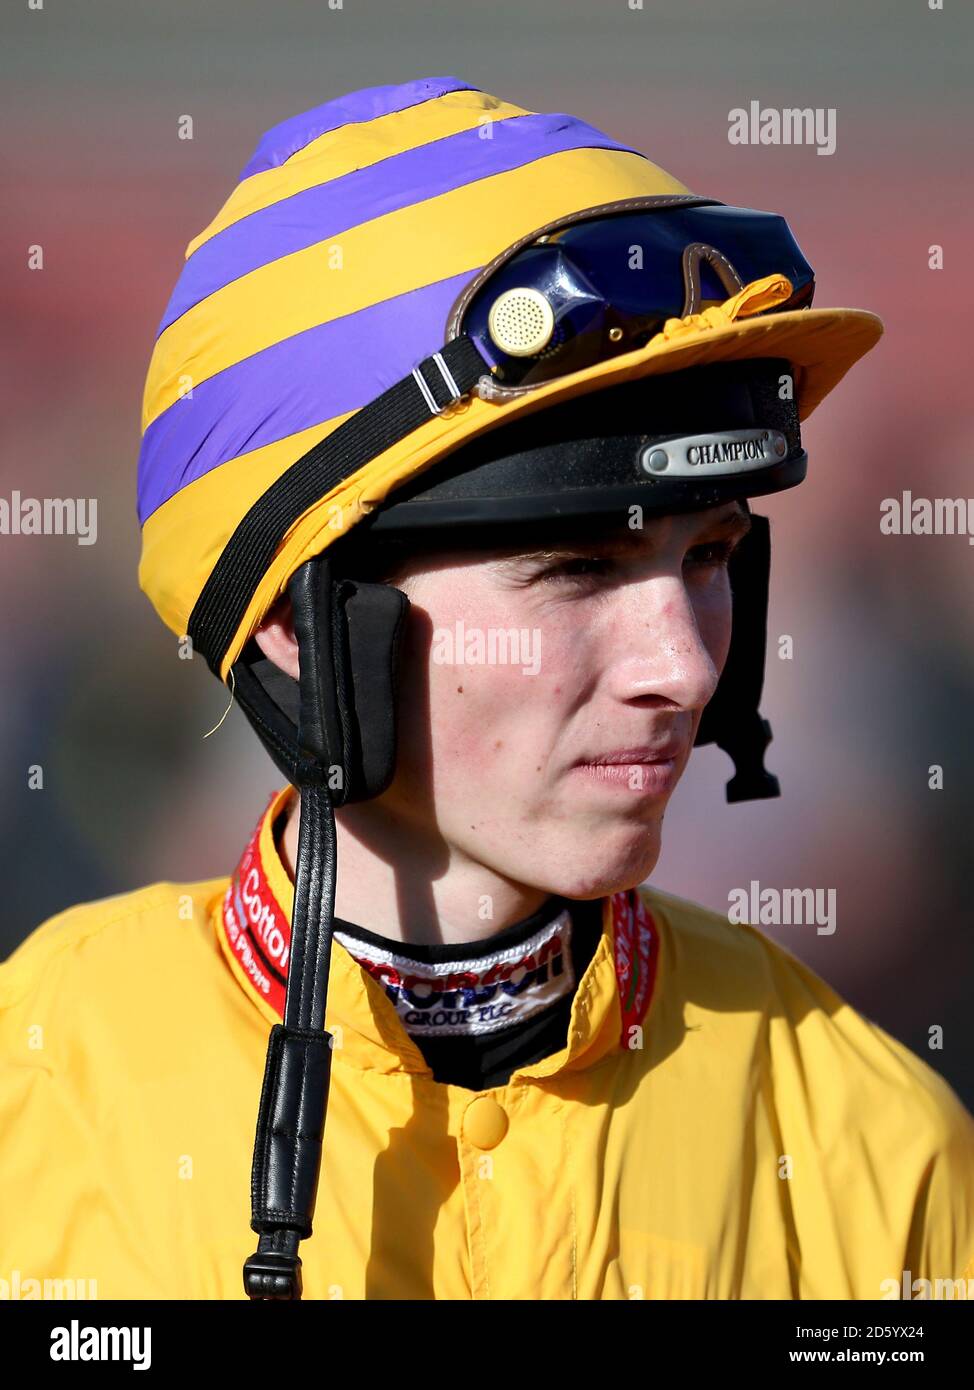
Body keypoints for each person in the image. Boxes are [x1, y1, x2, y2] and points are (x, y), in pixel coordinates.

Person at [2, 75, 972, 1303]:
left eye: (709, 556)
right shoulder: (28, 1102)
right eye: (573, 571)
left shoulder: (876, 1148)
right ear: (301, 622)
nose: (679, 664)